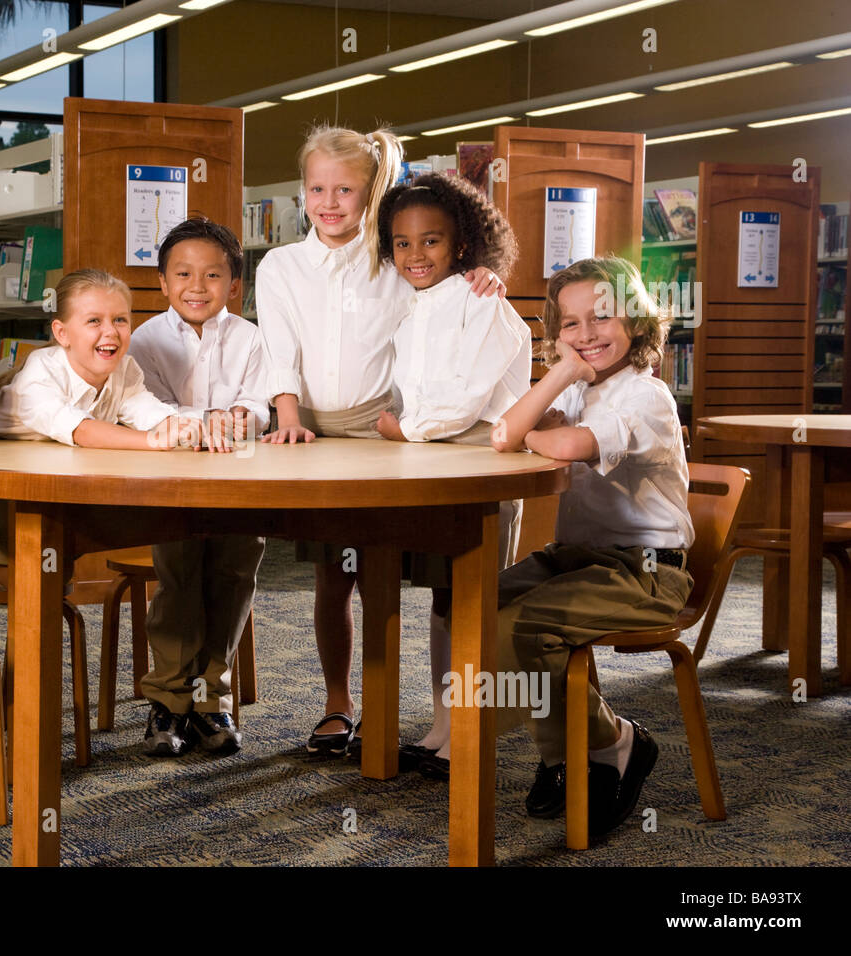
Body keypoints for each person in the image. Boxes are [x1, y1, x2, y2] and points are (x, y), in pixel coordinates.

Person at [255, 123, 505, 754]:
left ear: (372, 196)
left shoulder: (392, 260)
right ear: (301, 192)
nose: (329, 202)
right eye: (317, 188)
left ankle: (394, 708)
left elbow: (442, 294)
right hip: (310, 431)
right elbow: (280, 349)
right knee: (331, 575)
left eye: (346, 191)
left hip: (387, 432)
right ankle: (338, 703)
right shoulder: (281, 265)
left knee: (383, 572)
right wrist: (287, 415)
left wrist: (485, 276)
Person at [491, 255, 693, 837]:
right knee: (474, 599)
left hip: (647, 571)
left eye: (601, 318)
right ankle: (568, 752)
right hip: (580, 558)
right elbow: (508, 436)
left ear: (635, 321)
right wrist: (558, 374)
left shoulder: (644, 396)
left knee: (526, 628)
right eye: (569, 325)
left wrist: (530, 432)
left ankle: (612, 743)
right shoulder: (581, 388)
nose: (587, 335)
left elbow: (565, 443)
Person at [373, 174, 529, 779]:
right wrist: (410, 432)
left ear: (461, 242)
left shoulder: (482, 299)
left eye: (431, 241)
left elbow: (464, 404)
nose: (416, 255)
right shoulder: (415, 310)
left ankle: (469, 725)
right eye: (403, 243)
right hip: (437, 461)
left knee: (473, 600)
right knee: (444, 598)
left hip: (480, 461)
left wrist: (402, 432)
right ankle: (444, 721)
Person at [0, 269, 211, 572]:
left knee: (53, 555)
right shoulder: (41, 371)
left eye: (120, 320)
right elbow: (82, 430)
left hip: (55, 454)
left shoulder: (125, 369)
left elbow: (147, 411)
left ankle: (41, 561)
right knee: (11, 559)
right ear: (62, 333)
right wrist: (152, 441)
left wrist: (183, 427)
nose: (111, 331)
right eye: (94, 321)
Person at [128, 217, 268, 756]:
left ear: (234, 284)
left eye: (213, 276)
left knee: (234, 575)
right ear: (162, 282)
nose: (197, 286)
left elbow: (259, 401)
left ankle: (212, 698)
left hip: (240, 475)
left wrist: (239, 414)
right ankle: (167, 700)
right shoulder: (145, 338)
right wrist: (203, 420)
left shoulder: (251, 338)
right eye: (182, 274)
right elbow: (149, 408)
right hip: (175, 478)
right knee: (179, 577)